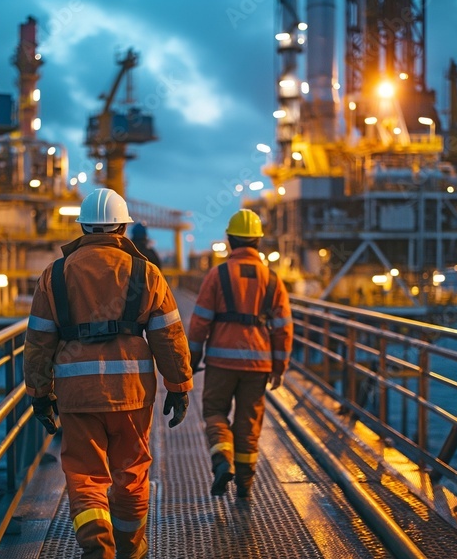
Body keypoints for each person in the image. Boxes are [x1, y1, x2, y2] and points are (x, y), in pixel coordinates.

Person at [25, 188, 193, 559]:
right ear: (122, 227)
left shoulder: (55, 275)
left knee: (85, 476)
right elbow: (168, 335)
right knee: (131, 474)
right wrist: (178, 386)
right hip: (131, 394)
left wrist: (39, 394)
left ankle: (97, 549)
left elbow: (38, 341)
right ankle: (130, 550)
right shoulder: (146, 272)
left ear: (83, 226)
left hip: (77, 395)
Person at [187, 209, 293, 499]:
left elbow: (199, 323)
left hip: (221, 363)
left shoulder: (217, 275)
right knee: (249, 424)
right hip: (258, 363)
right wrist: (280, 367)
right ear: (258, 241)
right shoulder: (273, 280)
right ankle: (245, 485)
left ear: (230, 240)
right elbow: (283, 328)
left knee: (215, 411)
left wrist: (192, 360)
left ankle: (223, 458)